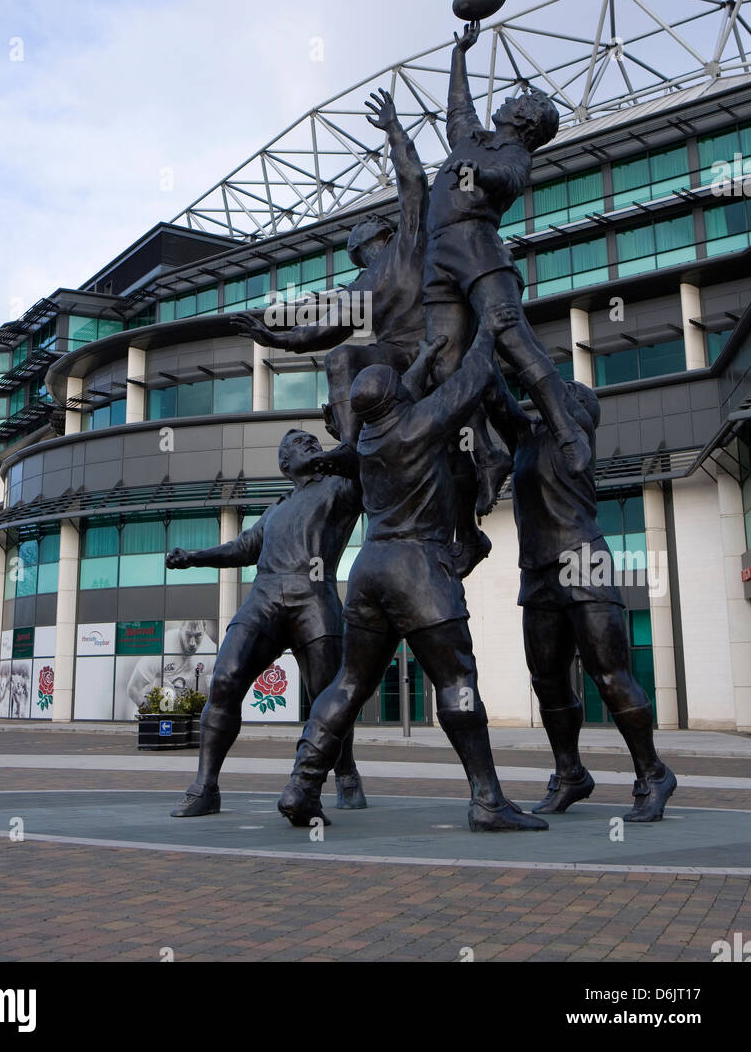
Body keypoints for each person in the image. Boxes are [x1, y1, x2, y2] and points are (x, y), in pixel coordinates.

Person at [278, 322, 548, 834]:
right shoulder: (421, 424)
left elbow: (407, 390)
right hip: (418, 570)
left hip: (368, 570)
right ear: (399, 396)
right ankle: (487, 799)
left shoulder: (366, 440)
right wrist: (486, 332)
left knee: (349, 682)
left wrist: (422, 359)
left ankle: (302, 784)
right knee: (456, 681)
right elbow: (469, 381)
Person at [490, 374, 676, 821]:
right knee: (547, 680)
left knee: (609, 675)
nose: (553, 396)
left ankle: (653, 774)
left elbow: (546, 390)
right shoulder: (524, 439)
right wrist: (482, 332)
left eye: (567, 394)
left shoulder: (575, 432)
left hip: (582, 558)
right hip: (537, 569)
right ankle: (570, 773)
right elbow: (493, 391)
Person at [422, 23, 591, 492]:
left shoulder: (514, 153)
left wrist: (479, 173)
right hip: (439, 255)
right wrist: (459, 54)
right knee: (442, 363)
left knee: (512, 338)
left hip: (478, 247)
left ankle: (565, 427)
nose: (511, 99)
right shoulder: (470, 138)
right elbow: (458, 105)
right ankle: (488, 453)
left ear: (527, 120)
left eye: (520, 99)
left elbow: (507, 179)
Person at [164, 429, 367, 817]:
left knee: (327, 698)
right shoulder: (276, 508)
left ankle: (345, 772)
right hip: (264, 596)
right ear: (284, 464)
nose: (309, 443)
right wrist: (194, 556)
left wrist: (336, 445)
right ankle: (205, 787)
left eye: (312, 440)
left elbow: (365, 461)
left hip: (314, 596)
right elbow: (243, 547)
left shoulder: (342, 487)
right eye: (298, 444)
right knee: (225, 678)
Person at [233, 88, 427, 471]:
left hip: (432, 342)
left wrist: (394, 132)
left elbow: (413, 183)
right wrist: (279, 339)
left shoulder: (409, 243)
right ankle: (353, 449)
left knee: (341, 354)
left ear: (379, 236)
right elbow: (325, 330)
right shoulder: (363, 284)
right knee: (341, 356)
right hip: (395, 355)